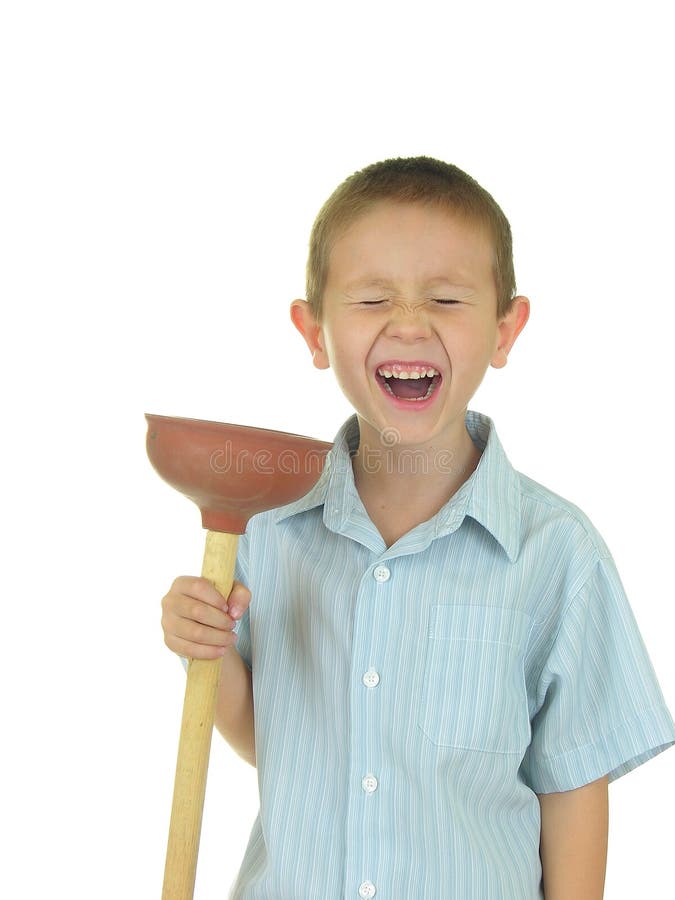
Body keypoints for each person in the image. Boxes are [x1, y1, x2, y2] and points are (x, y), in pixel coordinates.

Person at [161, 157, 675, 899]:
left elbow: (572, 786)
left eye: (445, 298)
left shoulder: (555, 550)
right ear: (314, 332)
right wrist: (209, 652)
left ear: (505, 330)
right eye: (372, 299)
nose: (408, 323)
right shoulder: (266, 531)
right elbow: (272, 745)